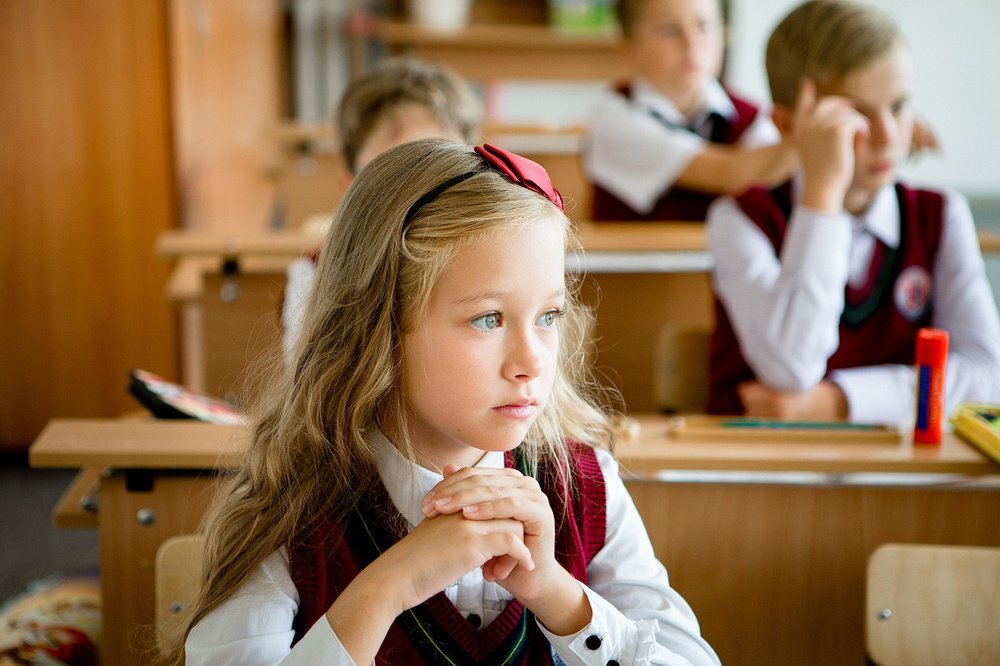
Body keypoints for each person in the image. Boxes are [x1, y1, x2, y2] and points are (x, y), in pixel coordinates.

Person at [175, 139, 720, 665]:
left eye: (549, 316)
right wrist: (387, 588)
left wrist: (558, 595)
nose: (530, 362)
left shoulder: (583, 483)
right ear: (379, 329)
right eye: (489, 319)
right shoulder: (294, 496)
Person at [706, 0, 1000, 424]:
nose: (887, 136)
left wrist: (837, 402)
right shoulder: (739, 219)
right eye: (857, 114)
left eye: (898, 107)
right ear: (788, 127)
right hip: (770, 481)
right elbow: (791, 368)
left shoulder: (941, 214)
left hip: (900, 478)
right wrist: (824, 195)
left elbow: (987, 377)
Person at [281, 56, 483, 361]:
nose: (419, 193)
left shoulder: (490, 261)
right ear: (351, 190)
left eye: (441, 171)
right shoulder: (315, 276)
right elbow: (311, 380)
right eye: (391, 175)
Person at [583, 0, 798, 221]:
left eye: (703, 25)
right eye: (670, 30)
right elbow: (726, 172)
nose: (691, 42)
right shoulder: (613, 115)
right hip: (630, 255)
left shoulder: (752, 116)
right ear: (629, 50)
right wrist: (806, 137)